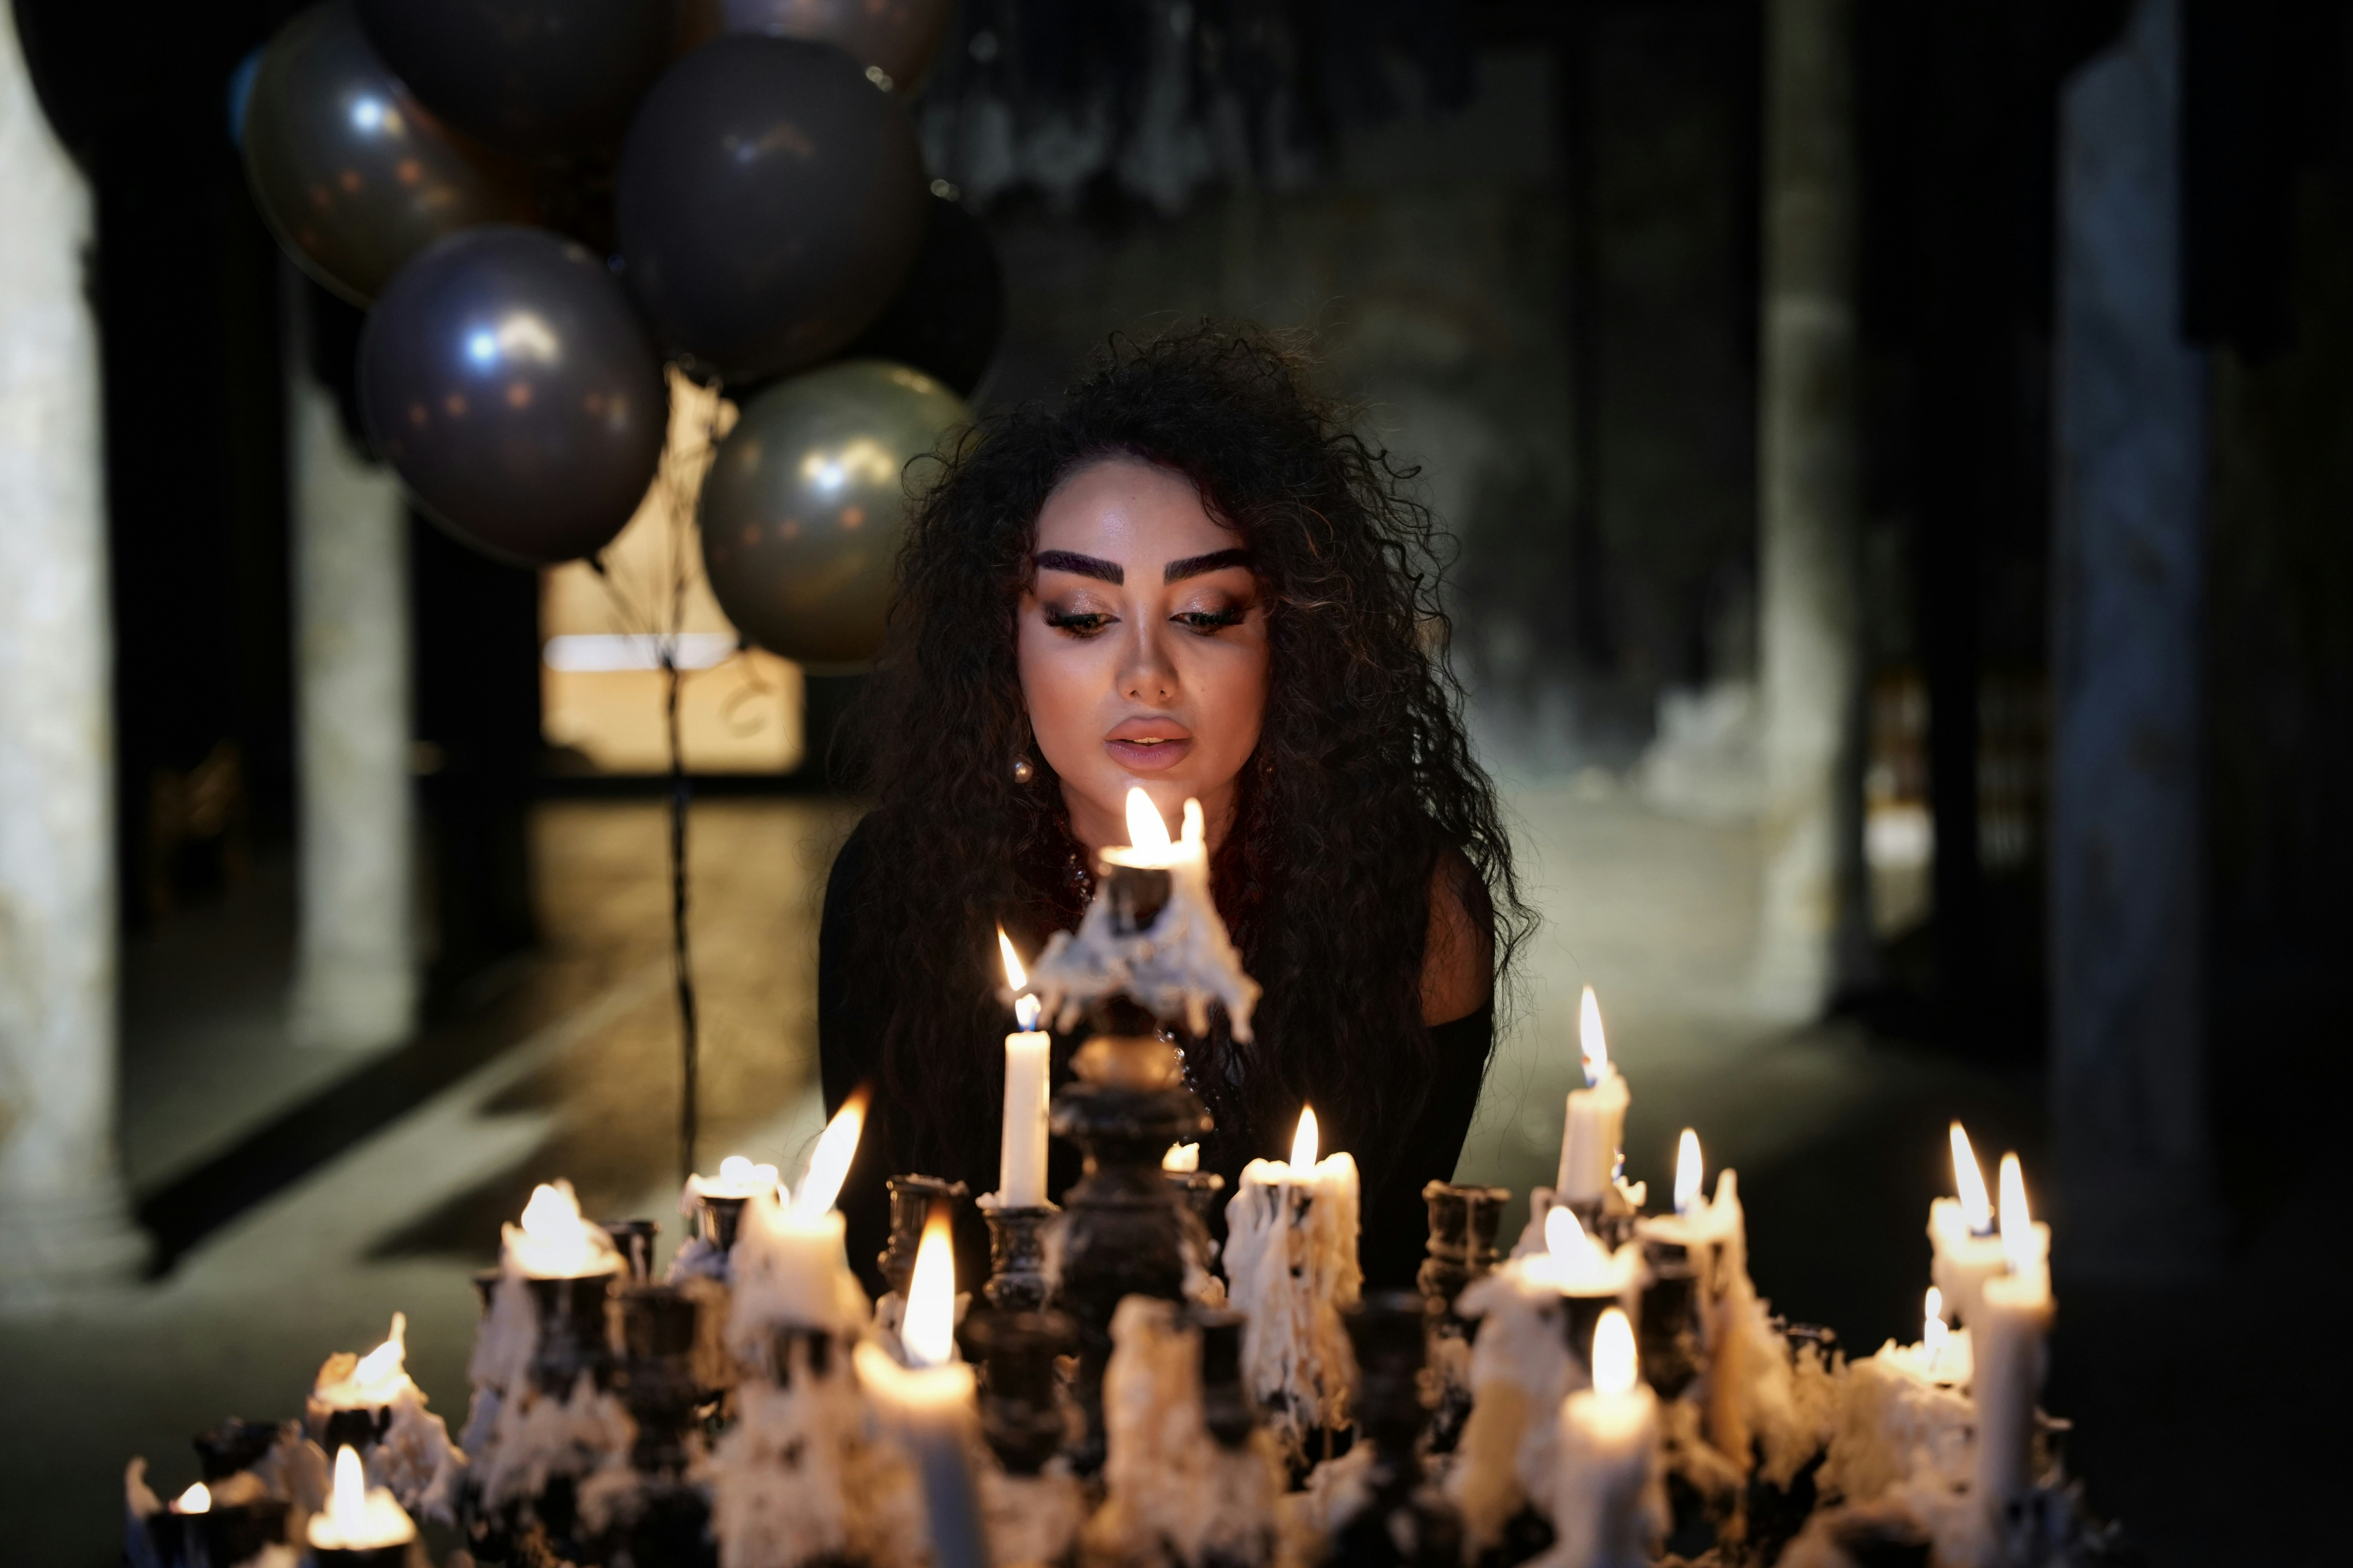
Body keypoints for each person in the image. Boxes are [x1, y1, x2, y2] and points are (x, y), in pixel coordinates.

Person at [818, 323, 1529, 1291]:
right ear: (1003, 644)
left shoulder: (1410, 909)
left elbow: (1374, 1294)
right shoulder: (901, 885)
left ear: (1289, 639)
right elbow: (875, 1276)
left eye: (1204, 616)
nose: (1145, 675)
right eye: (1081, 617)